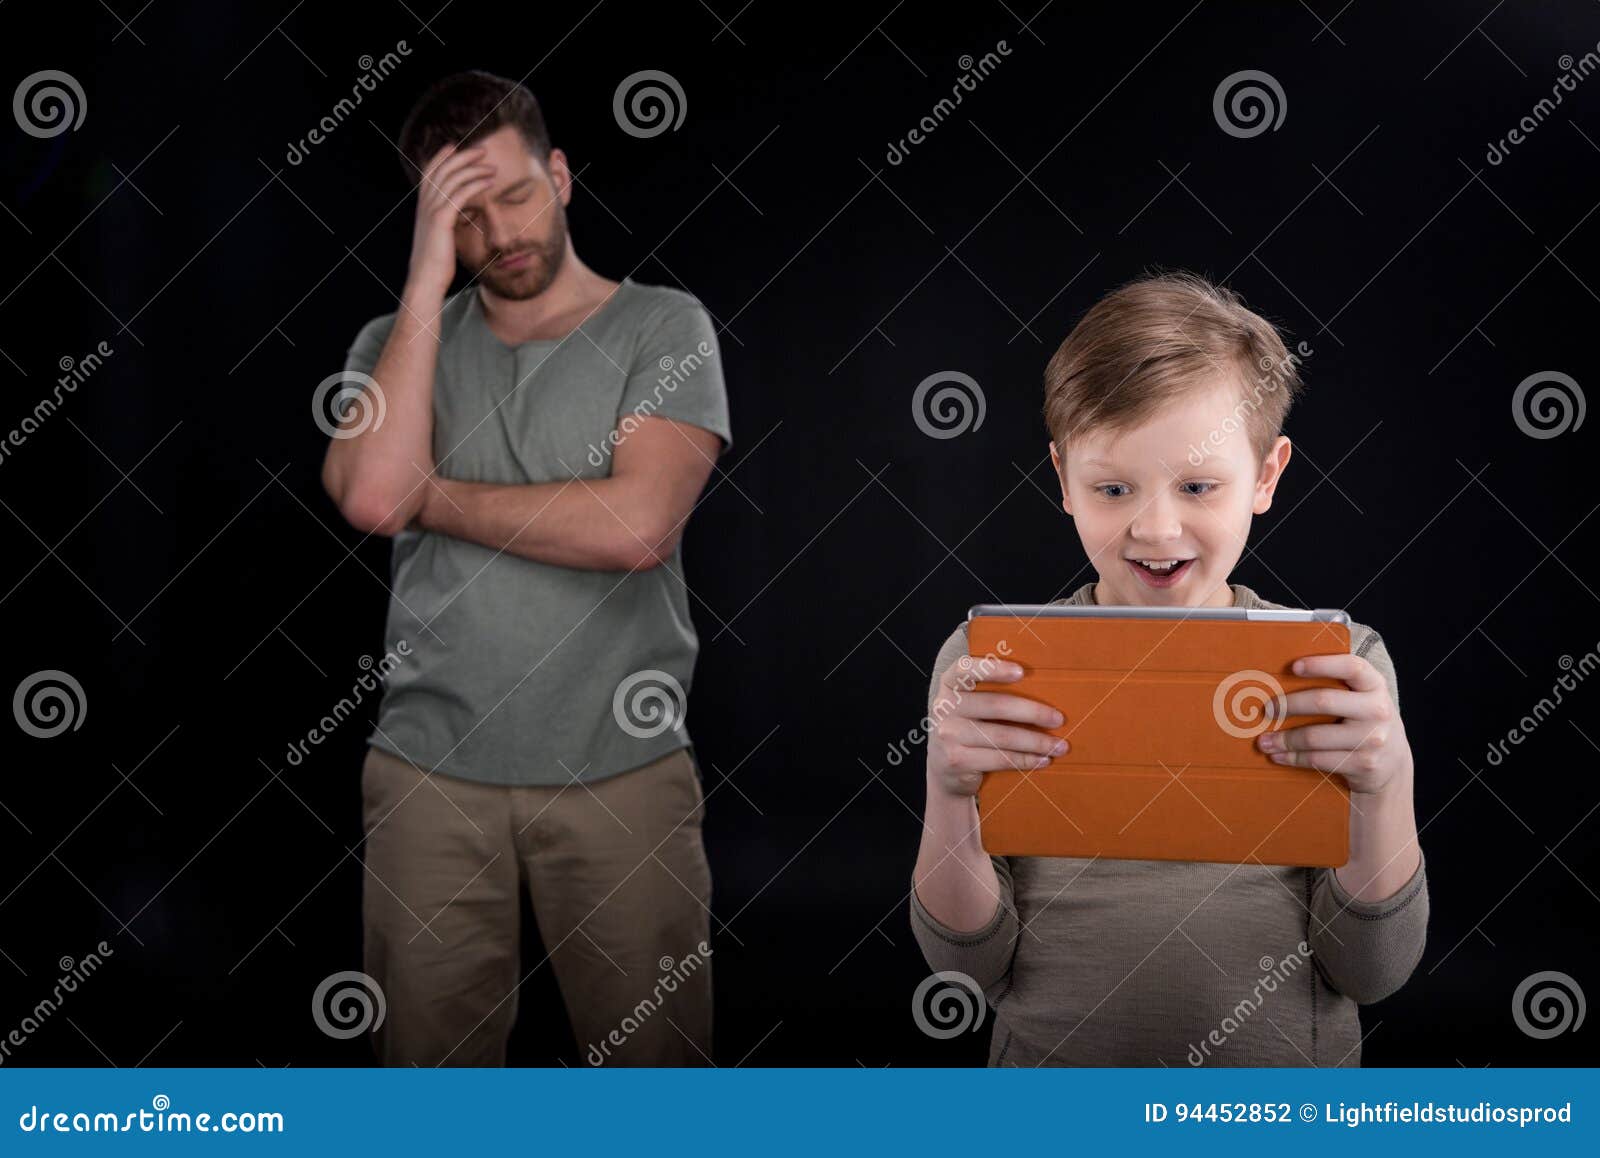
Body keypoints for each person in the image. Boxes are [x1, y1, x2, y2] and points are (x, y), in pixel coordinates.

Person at [910, 271, 1427, 1066]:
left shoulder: (1337, 668)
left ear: (1266, 476)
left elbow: (1372, 969)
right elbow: (965, 965)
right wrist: (948, 792)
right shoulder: (993, 665)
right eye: (1113, 487)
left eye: (1197, 486)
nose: (1155, 528)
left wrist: (1387, 785)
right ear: (1062, 480)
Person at [321, 70, 731, 1066]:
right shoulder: (391, 347)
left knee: (658, 1088)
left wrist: (438, 496)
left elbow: (637, 526)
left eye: (513, 194)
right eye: (463, 215)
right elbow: (375, 498)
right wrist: (424, 280)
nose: (498, 232)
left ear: (558, 176)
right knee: (429, 1087)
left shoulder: (663, 326)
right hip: (427, 777)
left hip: (622, 773)